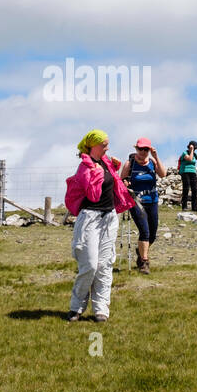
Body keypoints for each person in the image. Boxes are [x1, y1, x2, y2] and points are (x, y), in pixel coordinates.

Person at [65, 129, 133, 322]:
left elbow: (113, 183)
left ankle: (101, 308)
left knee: (105, 264)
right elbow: (93, 192)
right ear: (93, 145)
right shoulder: (85, 167)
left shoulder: (106, 163)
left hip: (109, 217)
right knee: (90, 265)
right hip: (90, 218)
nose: (107, 147)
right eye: (104, 144)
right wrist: (97, 173)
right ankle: (76, 306)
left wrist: (113, 168)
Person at [123, 137, 167, 273]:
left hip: (152, 200)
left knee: (152, 234)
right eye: (140, 149)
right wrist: (125, 183)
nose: (143, 152)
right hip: (136, 201)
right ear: (136, 149)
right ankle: (144, 262)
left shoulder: (153, 162)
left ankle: (141, 250)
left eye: (146, 149)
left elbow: (163, 174)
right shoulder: (130, 163)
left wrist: (156, 156)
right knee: (145, 232)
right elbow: (121, 179)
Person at [177, 141, 197, 211]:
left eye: (195, 148)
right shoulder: (185, 153)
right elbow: (189, 159)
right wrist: (191, 150)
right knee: (186, 189)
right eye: (194, 148)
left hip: (193, 172)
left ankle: (194, 207)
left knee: (195, 189)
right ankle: (184, 206)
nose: (194, 149)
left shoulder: (194, 154)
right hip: (185, 172)